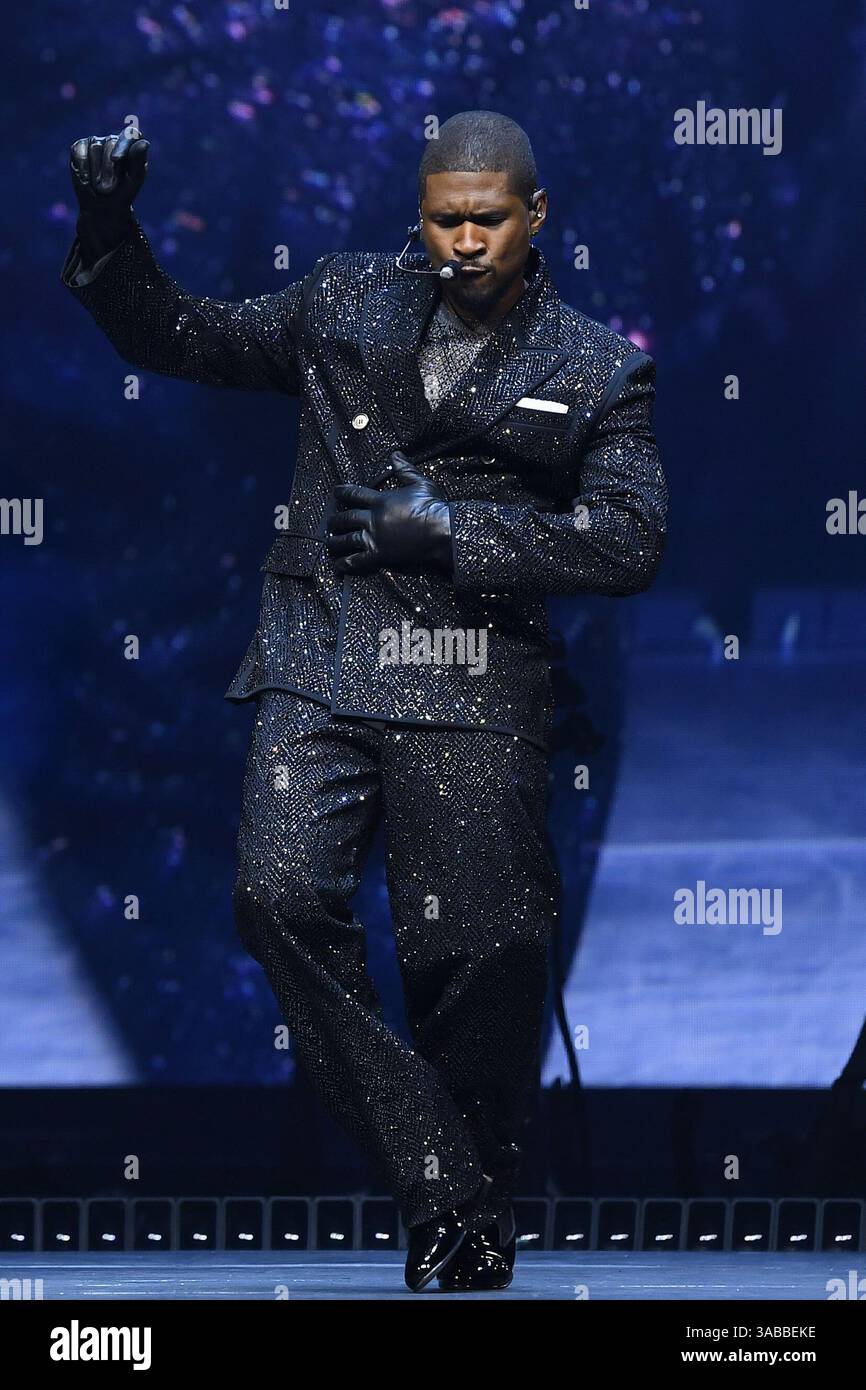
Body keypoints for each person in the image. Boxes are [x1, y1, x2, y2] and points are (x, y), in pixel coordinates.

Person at [62, 110, 668, 1292]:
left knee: (481, 951)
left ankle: (468, 1196)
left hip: (473, 674)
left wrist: (453, 532)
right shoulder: (341, 303)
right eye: (444, 219)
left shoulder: (597, 366)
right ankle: (444, 1184)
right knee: (276, 894)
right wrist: (107, 223)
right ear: (419, 216)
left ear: (534, 218)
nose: (463, 243)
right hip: (323, 657)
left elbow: (631, 538)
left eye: (487, 220)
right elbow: (178, 333)